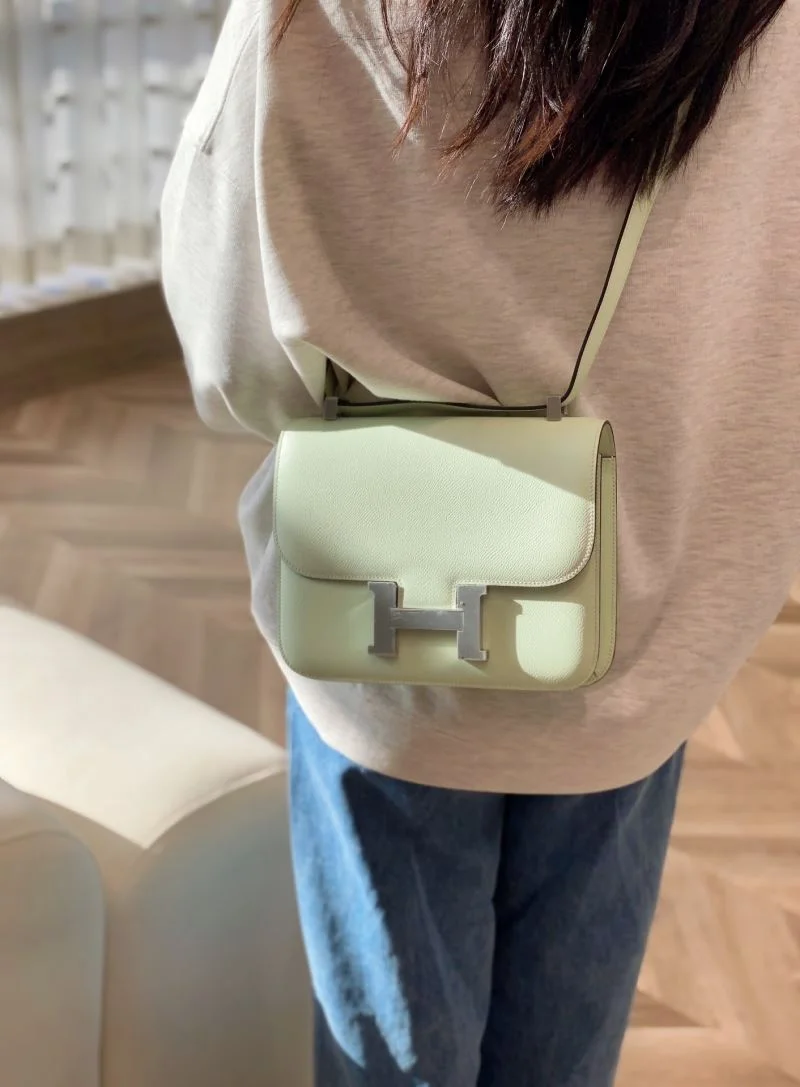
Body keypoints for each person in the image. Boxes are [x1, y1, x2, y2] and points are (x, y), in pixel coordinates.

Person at [161, 0, 799, 1082]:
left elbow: (227, 351)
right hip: (650, 626)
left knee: (392, 1052)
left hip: (373, 613)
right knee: (566, 1047)